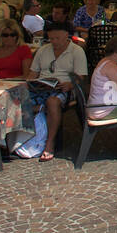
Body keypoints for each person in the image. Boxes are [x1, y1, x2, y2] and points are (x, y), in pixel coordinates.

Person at [28, 21, 88, 162]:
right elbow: (33, 73)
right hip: (42, 86)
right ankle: (17, 142)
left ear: (66, 35)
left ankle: (50, 143)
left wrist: (70, 84)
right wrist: (29, 84)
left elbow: (80, 78)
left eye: (57, 38)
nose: (54, 42)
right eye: (51, 38)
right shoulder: (43, 50)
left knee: (53, 102)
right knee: (17, 98)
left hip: (65, 88)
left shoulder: (76, 51)